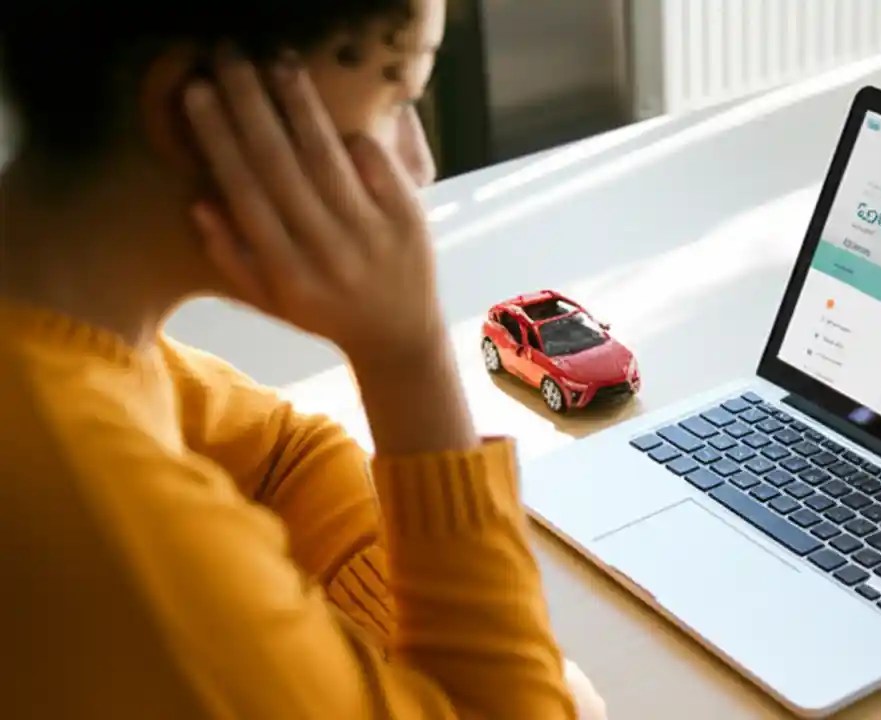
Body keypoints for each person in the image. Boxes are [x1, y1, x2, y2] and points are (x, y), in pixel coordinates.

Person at [0, 1, 606, 717]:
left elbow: (282, 459)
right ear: (195, 108)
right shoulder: (104, 519)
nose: (419, 165)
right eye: (397, 94)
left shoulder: (57, 333)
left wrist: (398, 663)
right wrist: (405, 354)